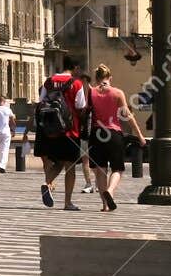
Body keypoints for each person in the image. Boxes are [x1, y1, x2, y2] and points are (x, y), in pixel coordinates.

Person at [23, 59, 88, 211]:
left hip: (51, 131)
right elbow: (81, 106)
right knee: (70, 167)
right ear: (75, 67)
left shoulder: (49, 81)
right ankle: (67, 202)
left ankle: (47, 183)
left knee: (57, 162)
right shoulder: (76, 83)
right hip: (70, 131)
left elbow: (41, 103)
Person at [88, 65, 143, 213]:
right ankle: (110, 191)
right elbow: (127, 116)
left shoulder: (90, 92)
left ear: (96, 78)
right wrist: (140, 135)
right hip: (114, 134)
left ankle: (105, 205)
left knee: (100, 171)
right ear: (110, 78)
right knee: (117, 169)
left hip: (96, 134)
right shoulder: (118, 93)